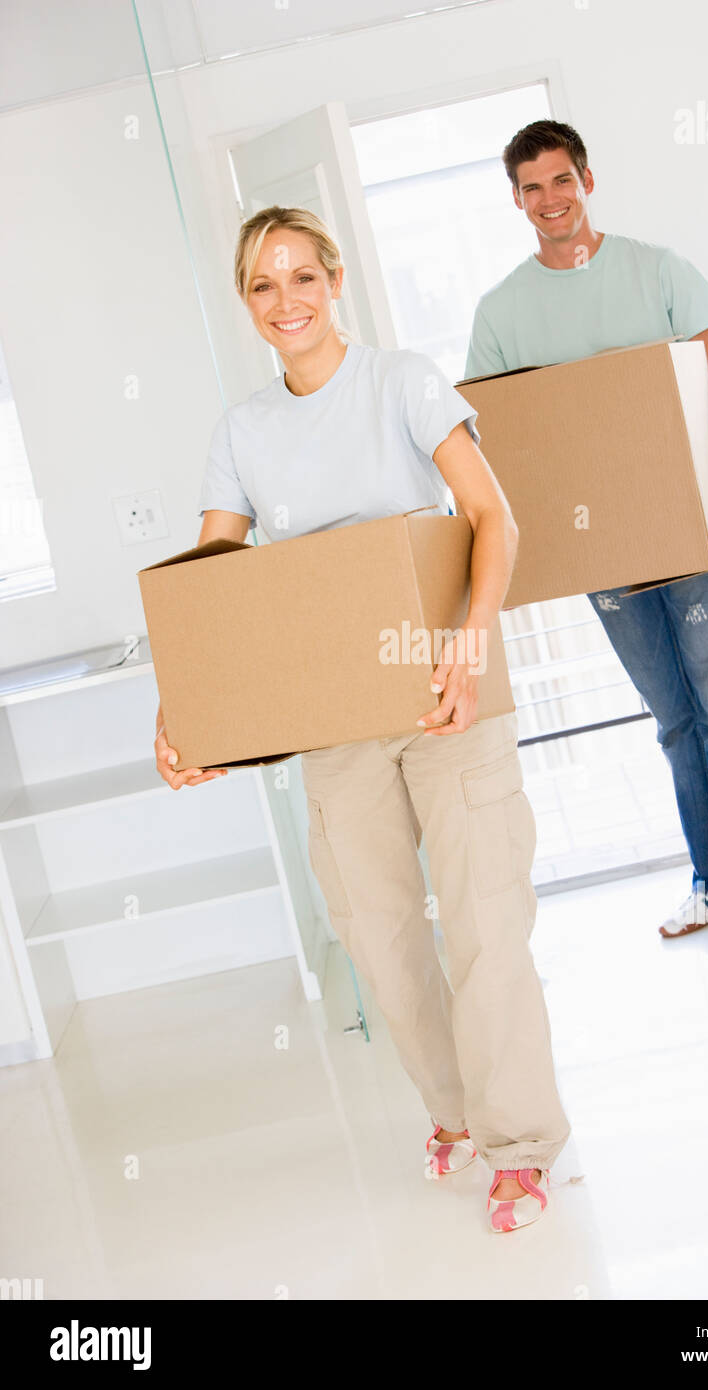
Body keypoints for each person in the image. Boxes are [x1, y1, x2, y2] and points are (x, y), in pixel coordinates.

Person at [153, 205, 572, 1232]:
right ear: (246, 304)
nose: (285, 301)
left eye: (302, 276)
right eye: (262, 284)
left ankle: (518, 1143)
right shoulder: (243, 433)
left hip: (445, 692)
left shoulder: (403, 382)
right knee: (381, 939)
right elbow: (210, 586)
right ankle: (454, 1112)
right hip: (334, 721)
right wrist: (183, 711)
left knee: (482, 928)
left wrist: (470, 645)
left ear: (334, 280)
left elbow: (492, 518)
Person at [466, 119, 708, 958]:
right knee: (676, 725)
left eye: (561, 181)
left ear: (587, 180)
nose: (550, 201)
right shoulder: (501, 313)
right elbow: (500, 440)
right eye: (532, 188)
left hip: (689, 536)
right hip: (602, 558)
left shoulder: (656, 270)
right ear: (514, 199)